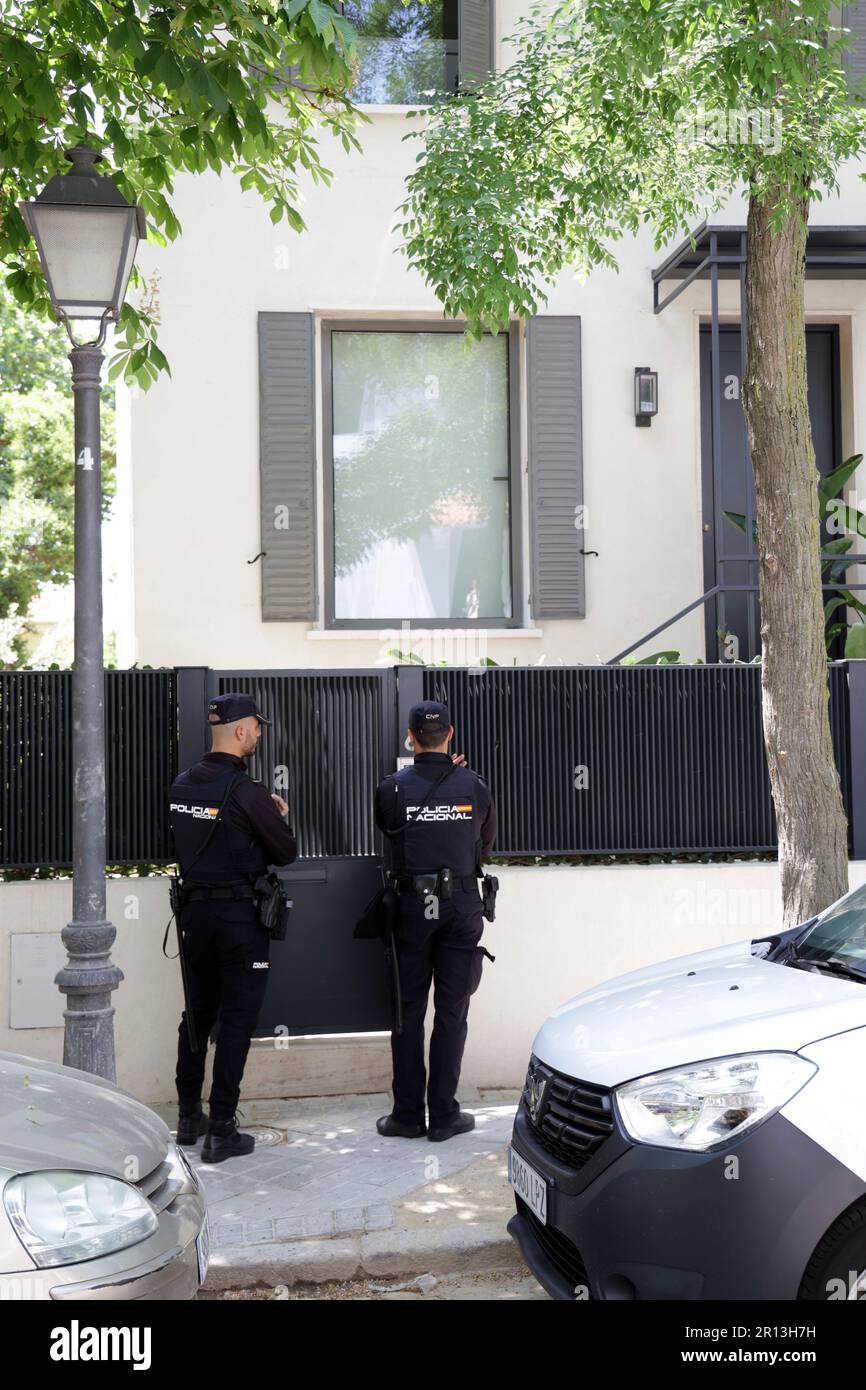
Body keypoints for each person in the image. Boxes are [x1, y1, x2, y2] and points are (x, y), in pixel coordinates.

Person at [168, 691, 296, 1163]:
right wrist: (277, 816)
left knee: (197, 1016)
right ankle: (222, 1129)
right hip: (240, 920)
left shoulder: (182, 785)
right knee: (237, 1020)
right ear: (241, 731)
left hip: (195, 917)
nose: (259, 734)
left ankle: (187, 1118)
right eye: (257, 727)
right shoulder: (248, 792)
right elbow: (285, 852)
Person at [374, 700, 497, 1142]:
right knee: (452, 1013)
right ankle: (443, 1116)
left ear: (410, 735)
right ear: (451, 732)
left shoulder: (391, 789)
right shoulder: (475, 786)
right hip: (461, 906)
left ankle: (407, 1115)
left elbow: (390, 839)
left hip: (412, 908)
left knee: (407, 1012)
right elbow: (483, 847)